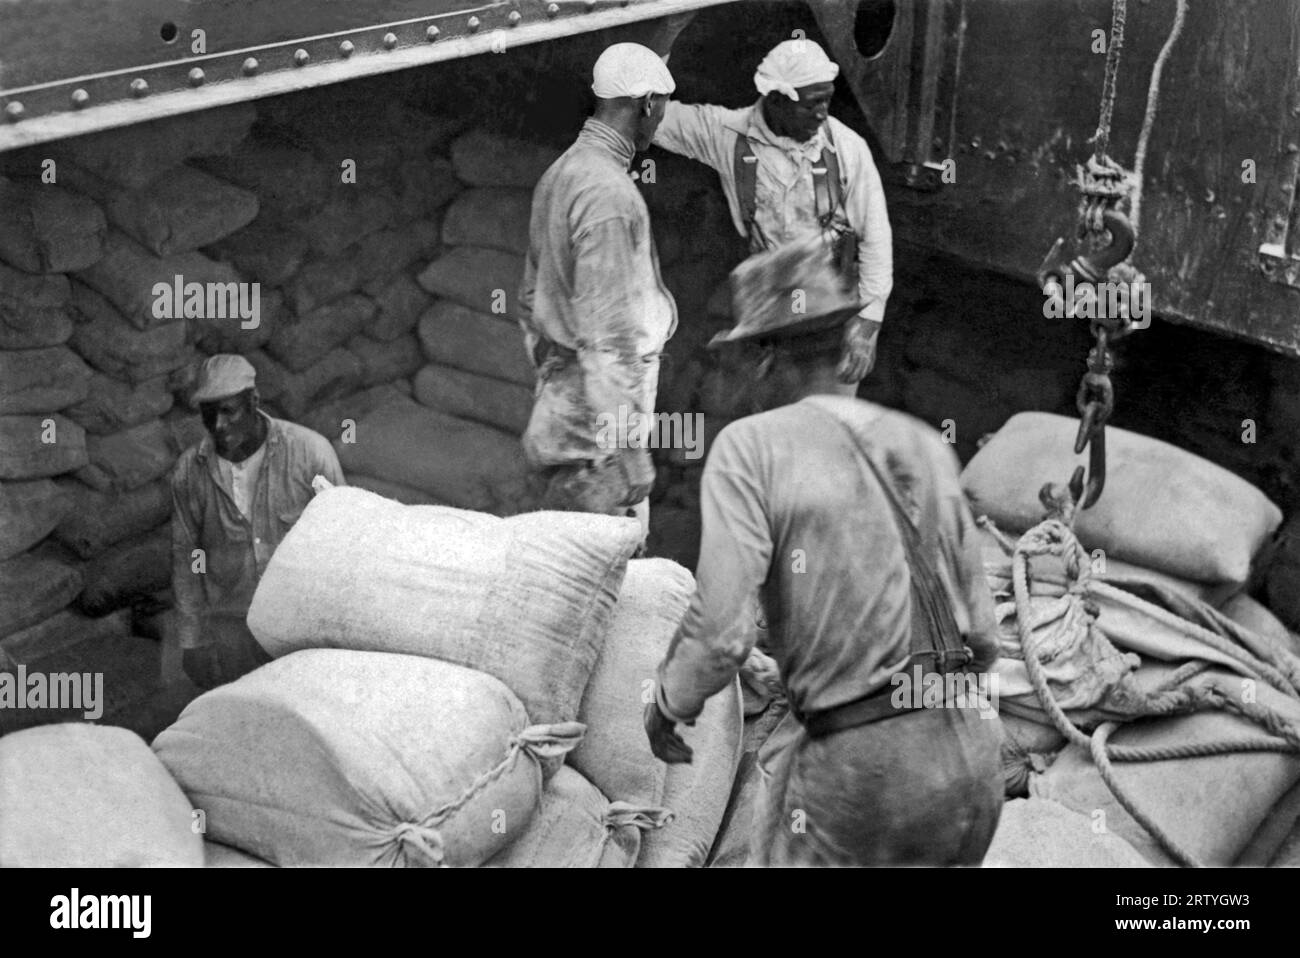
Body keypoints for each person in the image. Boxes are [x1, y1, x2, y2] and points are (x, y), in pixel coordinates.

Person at [643, 238, 1003, 866]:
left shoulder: (750, 447)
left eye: (737, 360)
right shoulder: (924, 444)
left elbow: (721, 636)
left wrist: (669, 704)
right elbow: (987, 639)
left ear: (762, 359)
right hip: (975, 760)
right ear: (842, 349)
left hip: (867, 771)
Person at [651, 37, 892, 384]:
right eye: (813, 104)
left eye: (827, 101)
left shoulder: (846, 148)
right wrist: (662, 41)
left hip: (830, 308)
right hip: (768, 307)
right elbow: (657, 118)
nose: (823, 114)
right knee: (768, 415)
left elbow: (876, 237)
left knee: (824, 416)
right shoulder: (727, 134)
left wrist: (867, 327)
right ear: (777, 100)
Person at [517, 42, 678, 539]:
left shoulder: (563, 171)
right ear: (647, 103)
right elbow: (609, 339)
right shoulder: (607, 194)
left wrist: (554, 375)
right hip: (597, 441)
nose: (663, 116)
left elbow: (528, 300)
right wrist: (628, 449)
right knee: (604, 576)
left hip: (570, 412)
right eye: (664, 104)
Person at [170, 354, 346, 690]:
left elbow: (347, 541)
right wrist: (193, 640)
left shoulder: (310, 454)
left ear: (254, 401)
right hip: (235, 631)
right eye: (209, 413)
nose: (219, 425)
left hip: (302, 626)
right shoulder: (189, 471)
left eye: (229, 411)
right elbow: (186, 559)